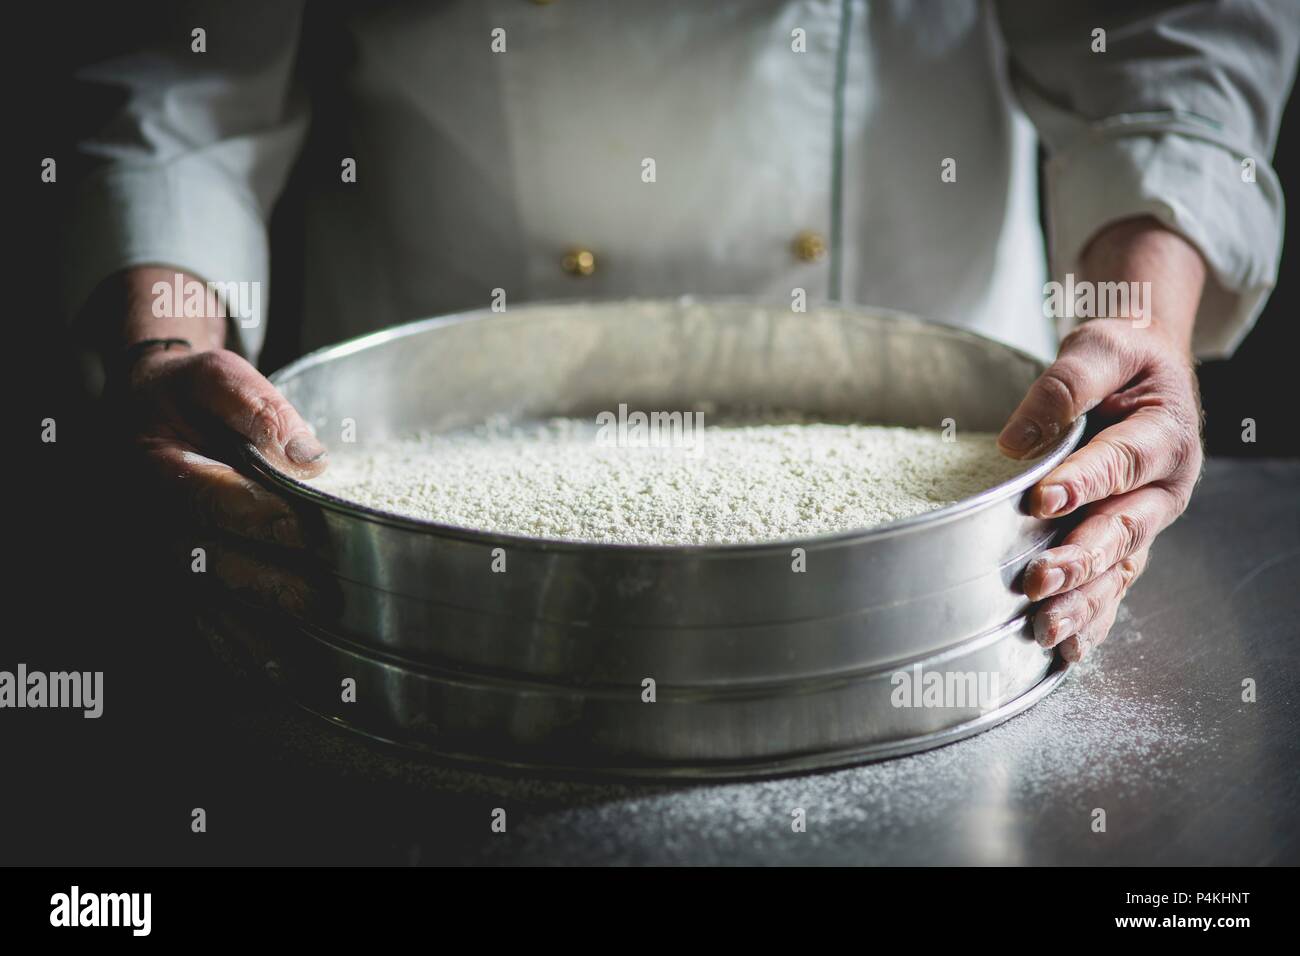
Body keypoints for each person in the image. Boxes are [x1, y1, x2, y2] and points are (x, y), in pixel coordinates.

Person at [66, 1, 1298, 662]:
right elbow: (175, 59)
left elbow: (1163, 29)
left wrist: (1136, 313)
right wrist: (164, 349)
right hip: (399, 448)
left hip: (952, 462)